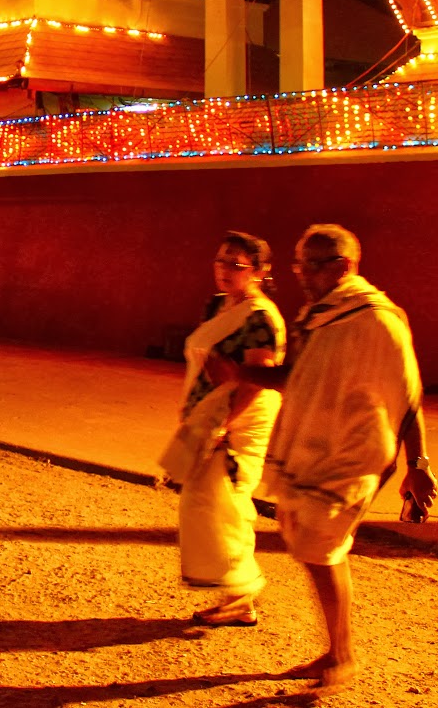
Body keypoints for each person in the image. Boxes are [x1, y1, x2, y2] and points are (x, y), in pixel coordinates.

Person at [216, 224, 435, 694]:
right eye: (299, 265)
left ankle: (343, 656)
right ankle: (336, 650)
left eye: (310, 265)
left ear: (343, 266)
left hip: (355, 454)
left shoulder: (377, 320)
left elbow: (408, 394)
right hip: (313, 449)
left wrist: (417, 464)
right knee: (308, 543)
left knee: (321, 548)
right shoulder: (320, 316)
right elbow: (296, 377)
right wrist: (240, 373)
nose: (301, 276)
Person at [160, 232, 285, 628]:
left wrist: (223, 425)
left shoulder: (262, 319)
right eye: (221, 261)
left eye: (237, 265)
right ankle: (237, 593)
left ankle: (242, 594)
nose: (225, 271)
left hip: (238, 423)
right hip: (205, 415)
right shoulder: (216, 306)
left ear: (261, 272)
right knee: (207, 504)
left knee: (223, 503)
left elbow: (256, 380)